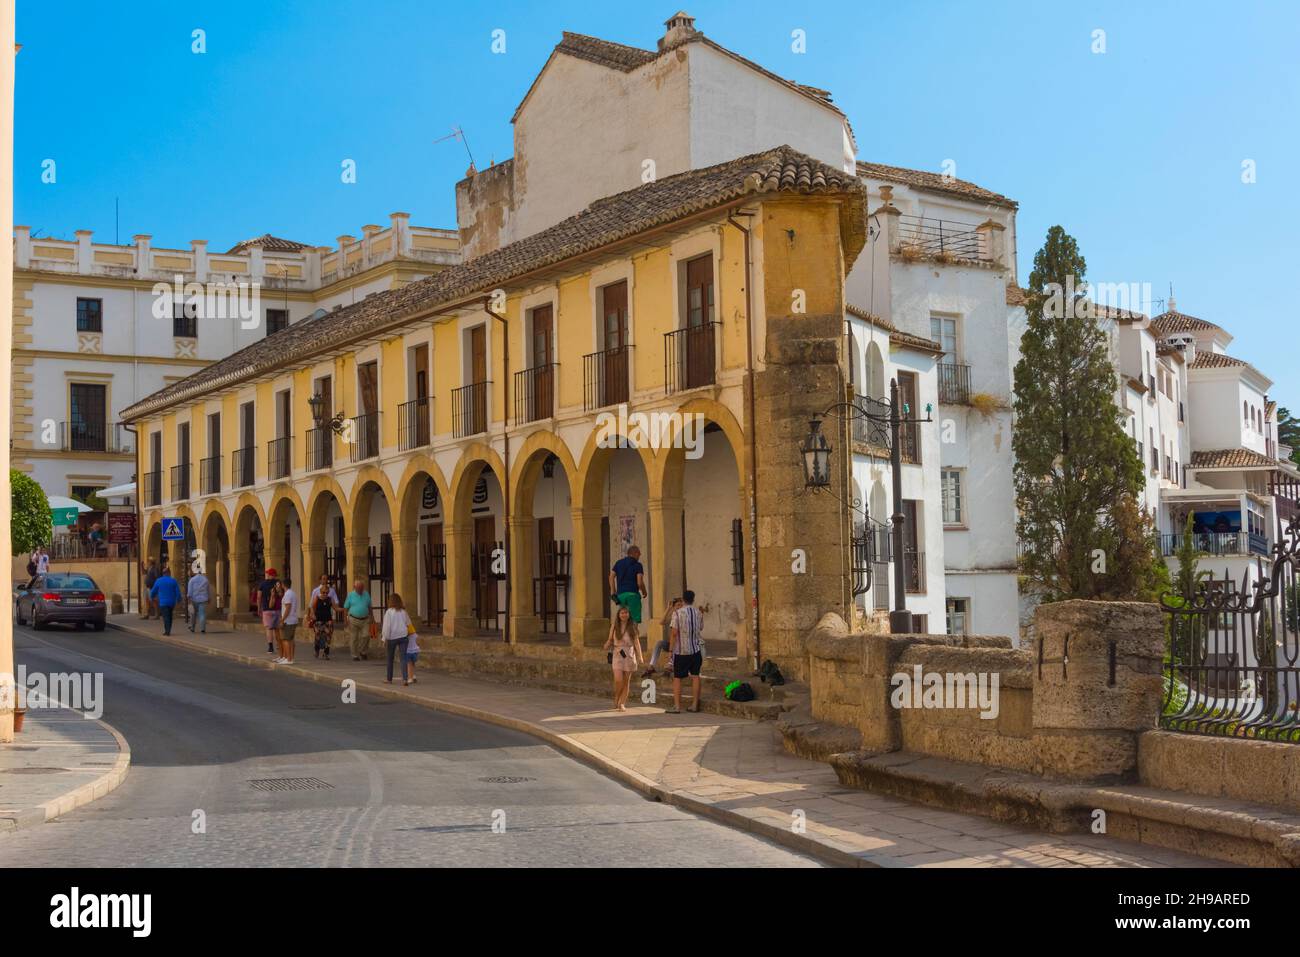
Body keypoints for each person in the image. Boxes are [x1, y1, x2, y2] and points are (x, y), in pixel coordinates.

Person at [666, 589, 704, 714]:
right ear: (693, 599)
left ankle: (677, 706)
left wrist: (670, 652)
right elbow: (701, 628)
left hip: (681, 651)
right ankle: (694, 705)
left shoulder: (677, 613)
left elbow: (674, 633)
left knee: (677, 678)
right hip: (696, 649)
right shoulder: (698, 613)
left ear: (683, 599)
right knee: (695, 676)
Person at [603, 604, 643, 712]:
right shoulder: (614, 626)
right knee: (618, 679)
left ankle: (622, 703)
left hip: (629, 654)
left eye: (626, 613)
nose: (624, 615)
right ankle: (617, 695)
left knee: (626, 681)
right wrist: (607, 644)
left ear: (629, 615)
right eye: (622, 613)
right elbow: (610, 639)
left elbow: (636, 642)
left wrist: (640, 656)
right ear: (619, 614)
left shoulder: (632, 626)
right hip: (617, 653)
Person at [643, 597, 683, 678]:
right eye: (677, 605)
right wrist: (668, 608)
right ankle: (651, 666)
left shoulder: (684, 617)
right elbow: (661, 622)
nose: (679, 607)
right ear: (674, 607)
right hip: (672, 644)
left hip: (682, 646)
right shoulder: (673, 617)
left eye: (681, 605)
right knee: (659, 643)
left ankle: (671, 666)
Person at [608, 545, 647, 624]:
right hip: (633, 595)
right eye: (639, 553)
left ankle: (624, 636)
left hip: (621, 596)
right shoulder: (638, 565)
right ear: (634, 553)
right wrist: (644, 591)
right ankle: (634, 636)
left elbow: (611, 577)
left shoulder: (618, 563)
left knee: (624, 620)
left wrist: (613, 591)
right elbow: (639, 582)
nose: (640, 555)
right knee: (634, 620)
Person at [380, 593, 413, 684]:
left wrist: (384, 638)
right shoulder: (403, 612)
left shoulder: (389, 612)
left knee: (390, 659)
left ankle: (389, 679)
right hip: (403, 636)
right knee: (403, 658)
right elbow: (408, 624)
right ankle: (405, 679)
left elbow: (387, 627)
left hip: (392, 637)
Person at [343, 579, 374, 661]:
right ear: (355, 587)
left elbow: (369, 607)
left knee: (366, 636)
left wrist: (372, 618)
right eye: (359, 588)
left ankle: (362, 651)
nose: (360, 590)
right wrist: (345, 620)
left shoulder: (366, 594)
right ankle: (354, 655)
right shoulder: (350, 595)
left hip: (365, 619)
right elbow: (345, 608)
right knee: (354, 638)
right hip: (353, 619)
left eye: (361, 588)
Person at [308, 581, 340, 660]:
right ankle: (317, 650)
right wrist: (313, 614)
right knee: (318, 635)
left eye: (326, 592)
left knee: (328, 636)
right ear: (320, 592)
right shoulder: (317, 598)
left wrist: (344, 609)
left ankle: (326, 653)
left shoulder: (330, 599)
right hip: (318, 620)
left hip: (327, 620)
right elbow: (312, 607)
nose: (325, 594)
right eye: (323, 592)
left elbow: (335, 608)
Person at [149, 565, 182, 636]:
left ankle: (167, 631)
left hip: (163, 602)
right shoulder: (173, 581)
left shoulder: (159, 581)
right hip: (171, 602)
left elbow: (153, 591)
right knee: (169, 615)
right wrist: (179, 599)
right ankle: (168, 628)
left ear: (163, 573)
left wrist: (151, 597)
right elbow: (178, 592)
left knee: (166, 616)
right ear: (169, 573)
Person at [256, 568, 280, 654]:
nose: (266, 575)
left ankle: (270, 647)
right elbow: (281, 594)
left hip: (266, 609)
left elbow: (259, 597)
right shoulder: (278, 583)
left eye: (267, 574)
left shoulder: (262, 584)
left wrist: (259, 608)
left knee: (269, 629)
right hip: (277, 609)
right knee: (277, 628)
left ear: (269, 575)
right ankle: (279, 645)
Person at [276, 578, 299, 663]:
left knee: (286, 639)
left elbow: (288, 608)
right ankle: (291, 658)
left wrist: (282, 619)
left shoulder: (288, 594)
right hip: (293, 619)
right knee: (291, 640)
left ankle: (288, 659)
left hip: (288, 620)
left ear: (283, 585)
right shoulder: (292, 593)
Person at [186, 566, 211, 634]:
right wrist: (209, 598)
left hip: (194, 599)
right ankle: (202, 628)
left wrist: (189, 599)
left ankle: (192, 627)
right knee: (202, 614)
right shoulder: (205, 579)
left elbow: (190, 591)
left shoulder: (192, 580)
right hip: (203, 599)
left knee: (192, 614)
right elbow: (208, 590)